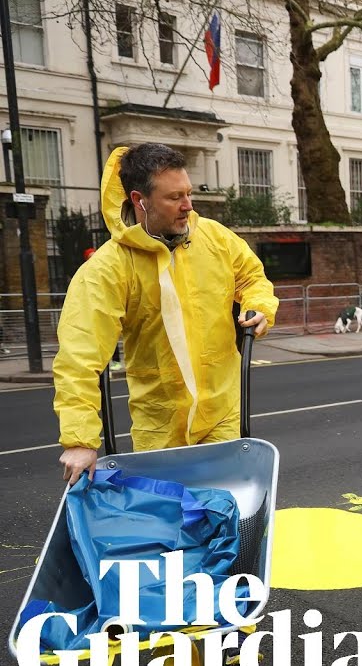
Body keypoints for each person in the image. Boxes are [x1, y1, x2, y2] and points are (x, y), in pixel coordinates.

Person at [54, 144, 279, 484]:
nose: (188, 205)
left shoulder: (214, 238)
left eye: (188, 193)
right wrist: (80, 440)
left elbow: (252, 276)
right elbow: (79, 356)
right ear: (139, 200)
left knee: (226, 513)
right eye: (174, 197)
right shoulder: (109, 268)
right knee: (169, 523)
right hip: (160, 427)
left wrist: (259, 306)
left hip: (223, 414)